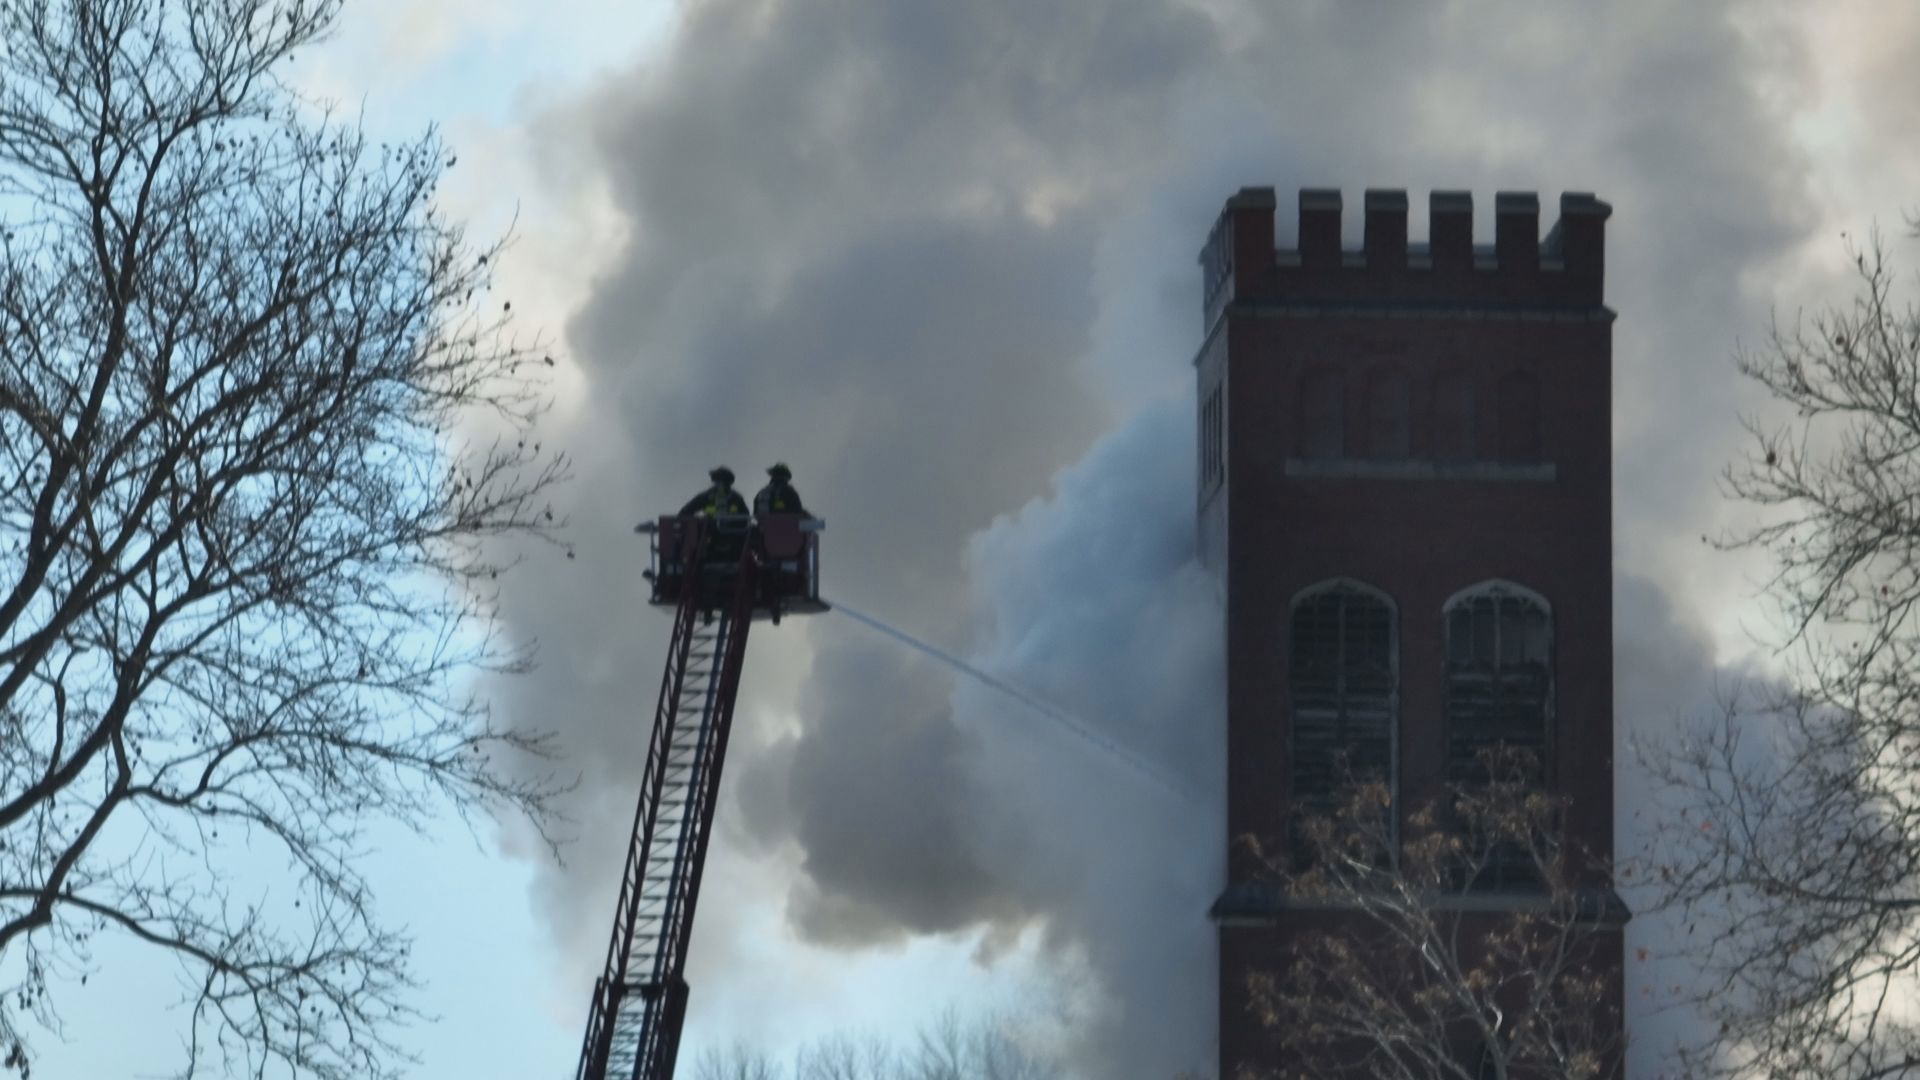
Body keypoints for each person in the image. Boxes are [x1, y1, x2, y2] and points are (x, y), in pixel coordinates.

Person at [680, 466, 749, 519]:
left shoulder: (736, 498)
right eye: (714, 479)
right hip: (710, 533)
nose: (715, 482)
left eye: (717, 479)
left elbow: (745, 516)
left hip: (733, 534)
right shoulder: (705, 496)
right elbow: (685, 512)